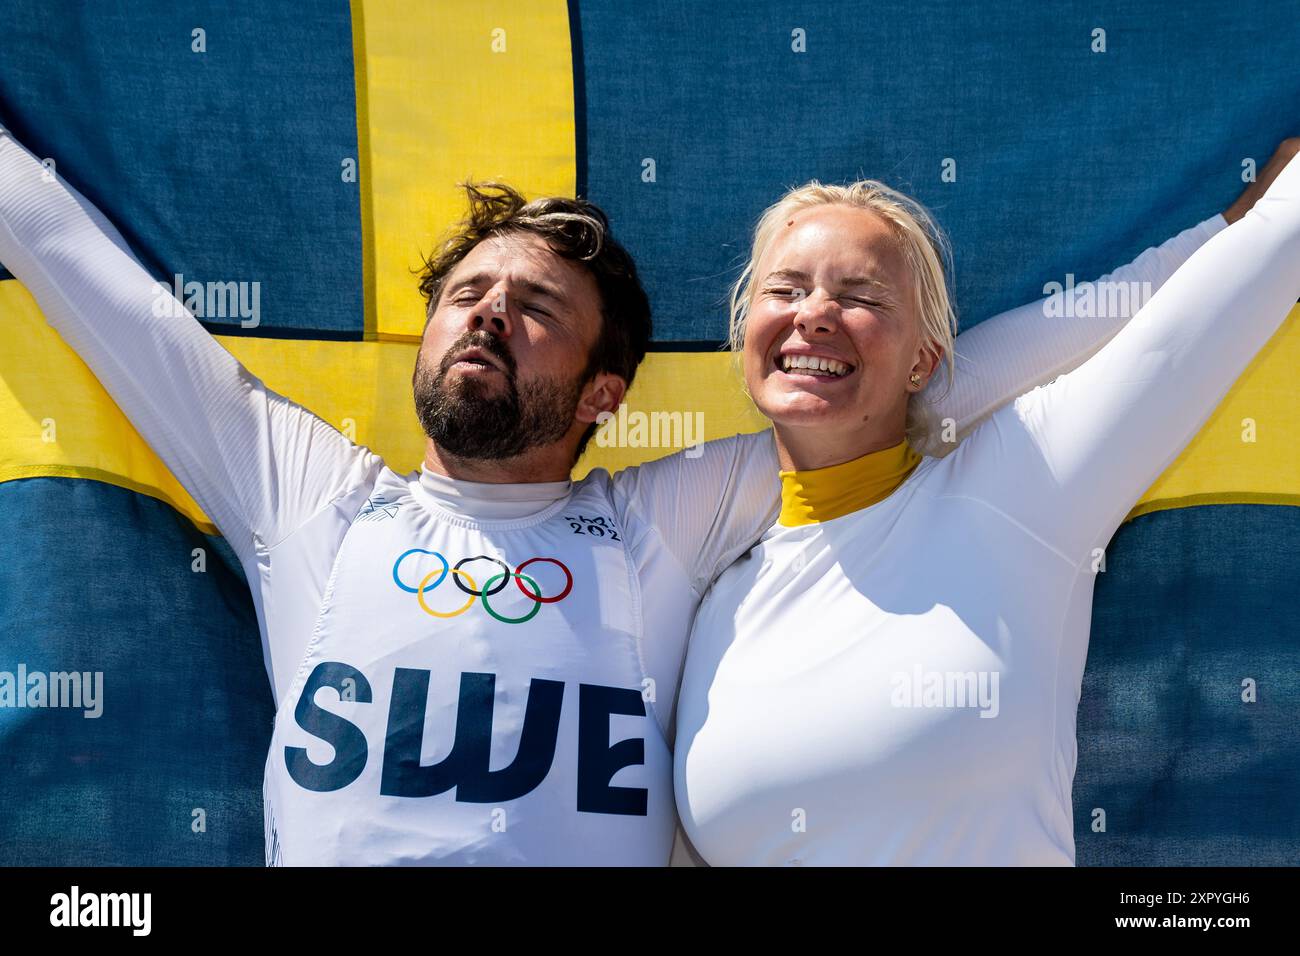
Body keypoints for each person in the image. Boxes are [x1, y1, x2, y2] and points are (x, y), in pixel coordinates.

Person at [0, 126, 1245, 865]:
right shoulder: (302, 493)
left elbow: (921, 380)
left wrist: (1228, 237)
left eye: (535, 309)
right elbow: (77, 270)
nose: (488, 313)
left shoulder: (664, 520)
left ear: (603, 392)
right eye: (466, 296)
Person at [672, 140, 1300, 866]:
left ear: (925, 361)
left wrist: (1235, 222)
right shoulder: (708, 596)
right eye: (785, 290)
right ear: (743, 331)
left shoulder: (1022, 486)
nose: (814, 314)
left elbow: (1254, 265)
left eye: (862, 296)